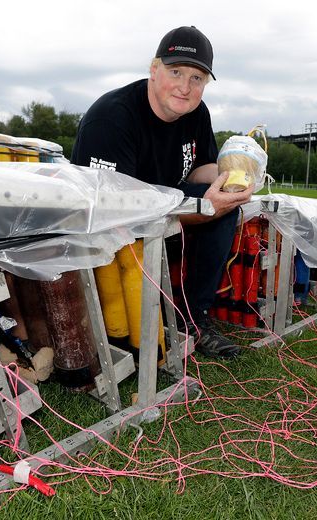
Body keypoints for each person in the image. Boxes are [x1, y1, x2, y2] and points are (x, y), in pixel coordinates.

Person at [72, 26, 253, 359]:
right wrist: (201, 206)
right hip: (109, 224)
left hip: (163, 208)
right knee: (207, 208)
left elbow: (200, 170)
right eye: (176, 71)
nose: (185, 87)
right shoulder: (112, 117)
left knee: (223, 209)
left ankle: (193, 319)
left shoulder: (196, 114)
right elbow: (112, 208)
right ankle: (124, 331)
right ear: (154, 70)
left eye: (197, 78)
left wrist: (231, 178)